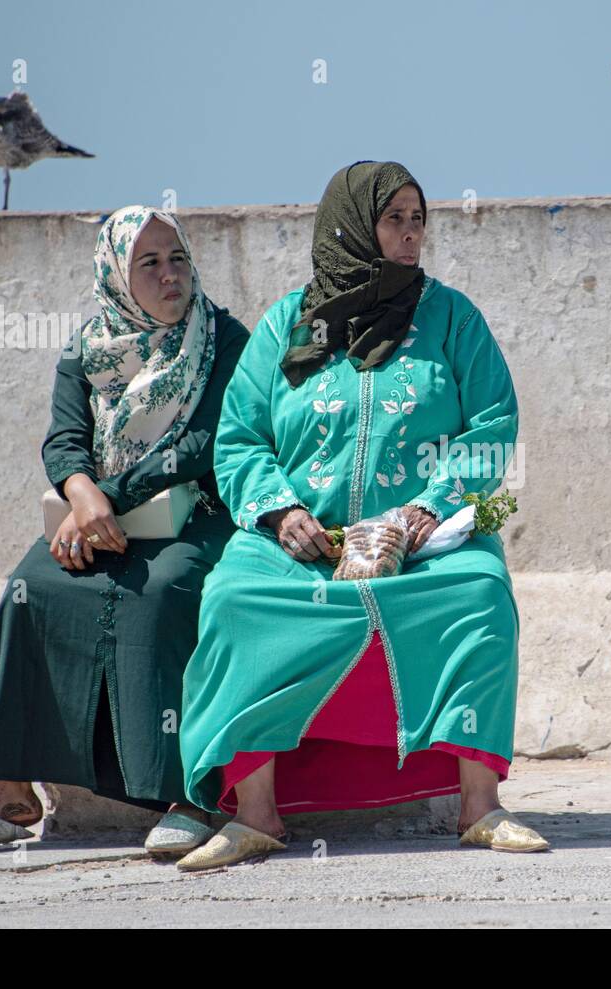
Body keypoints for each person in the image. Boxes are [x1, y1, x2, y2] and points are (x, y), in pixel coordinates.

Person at [175, 160, 548, 872]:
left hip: (424, 542)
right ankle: (255, 815)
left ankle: (481, 806)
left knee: (481, 594)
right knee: (232, 597)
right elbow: (242, 435)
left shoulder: (451, 317)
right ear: (351, 226)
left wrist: (429, 509)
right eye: (393, 219)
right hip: (301, 544)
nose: (410, 235)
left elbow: (492, 423)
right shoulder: (288, 323)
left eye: (418, 220)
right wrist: (279, 513)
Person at [0, 206, 251, 858]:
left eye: (178, 259)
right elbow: (64, 439)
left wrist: (107, 498)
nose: (170, 276)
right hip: (101, 516)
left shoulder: (222, 339)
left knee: (162, 592)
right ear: (115, 275)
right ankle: (10, 795)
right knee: (32, 585)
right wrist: (80, 494)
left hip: (199, 518)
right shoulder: (89, 347)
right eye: (150, 263)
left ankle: (185, 794)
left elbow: (202, 443)